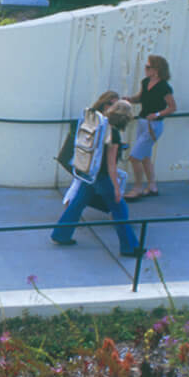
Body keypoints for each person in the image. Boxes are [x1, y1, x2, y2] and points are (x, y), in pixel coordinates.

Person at [51, 96, 139, 255]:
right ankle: (130, 248)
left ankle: (61, 235)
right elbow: (111, 165)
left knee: (77, 204)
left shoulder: (99, 125)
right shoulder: (114, 134)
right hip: (103, 177)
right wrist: (117, 188)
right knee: (120, 211)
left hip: (89, 173)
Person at [124, 54, 176, 200]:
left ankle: (137, 188)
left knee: (135, 157)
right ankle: (152, 186)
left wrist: (158, 114)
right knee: (145, 156)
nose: (145, 69)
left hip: (153, 125)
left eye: (148, 67)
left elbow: (172, 107)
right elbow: (141, 97)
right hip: (142, 121)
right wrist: (130, 99)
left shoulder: (164, 87)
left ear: (156, 69)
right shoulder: (145, 82)